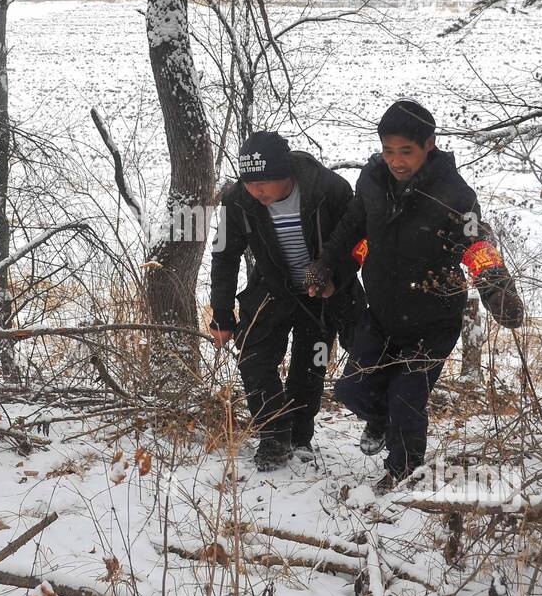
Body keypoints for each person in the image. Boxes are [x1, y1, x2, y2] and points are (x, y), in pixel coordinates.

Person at [306, 100, 524, 485]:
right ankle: (380, 419)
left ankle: (402, 473)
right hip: (383, 314)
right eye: (389, 151)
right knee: (352, 389)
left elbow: (475, 243)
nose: (396, 160)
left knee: (407, 396)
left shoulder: (455, 194)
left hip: (433, 319)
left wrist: (497, 289)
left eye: (406, 151)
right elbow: (352, 227)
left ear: (430, 145)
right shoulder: (371, 181)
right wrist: (326, 263)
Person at [210, 132, 365, 472]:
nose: (257, 191)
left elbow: (357, 242)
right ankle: (273, 435)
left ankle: (300, 435)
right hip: (270, 290)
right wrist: (221, 316)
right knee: (253, 359)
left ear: (287, 175)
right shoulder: (235, 201)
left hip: (323, 296)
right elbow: (223, 255)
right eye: (250, 184)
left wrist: (334, 281)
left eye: (265, 183)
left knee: (311, 365)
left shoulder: (330, 189)